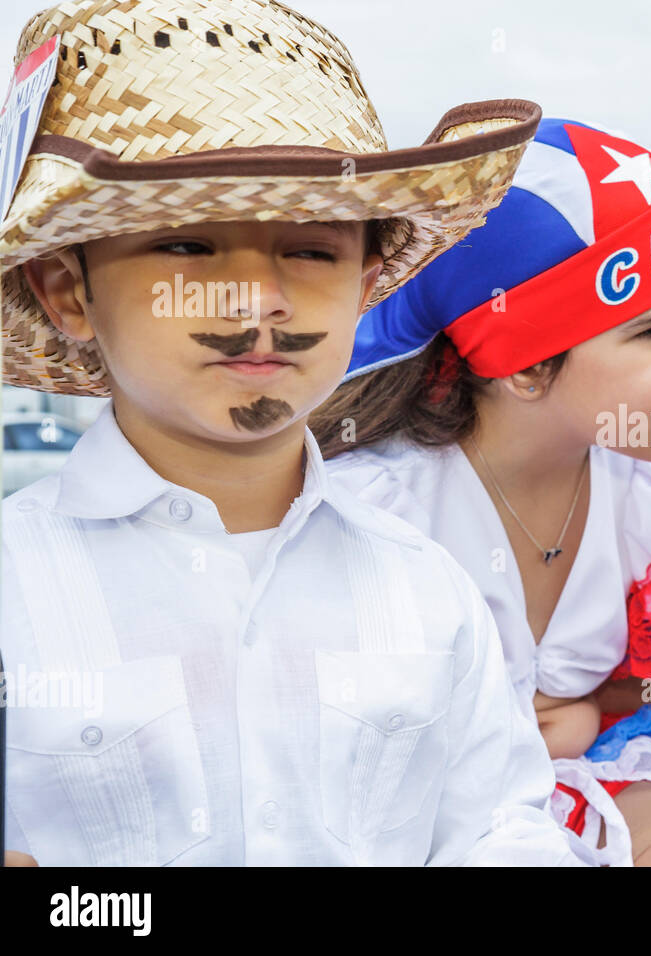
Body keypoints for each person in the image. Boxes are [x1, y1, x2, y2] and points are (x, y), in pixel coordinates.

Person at [0, 0, 582, 867]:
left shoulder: (429, 590)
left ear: (366, 281)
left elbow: (502, 831)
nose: (254, 300)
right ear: (67, 291)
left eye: (310, 252)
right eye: (189, 245)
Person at [315, 117, 651, 866]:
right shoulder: (372, 516)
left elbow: (645, 695)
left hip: (588, 788)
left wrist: (595, 709)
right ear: (524, 363)